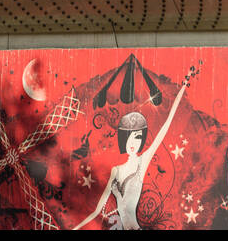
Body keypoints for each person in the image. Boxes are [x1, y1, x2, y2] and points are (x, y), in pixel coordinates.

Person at [73, 67, 195, 231]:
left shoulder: (141, 162)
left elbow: (166, 126)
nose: (133, 142)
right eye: (129, 136)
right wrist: (75, 228)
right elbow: (97, 210)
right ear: (123, 138)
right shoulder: (116, 171)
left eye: (137, 137)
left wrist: (183, 87)